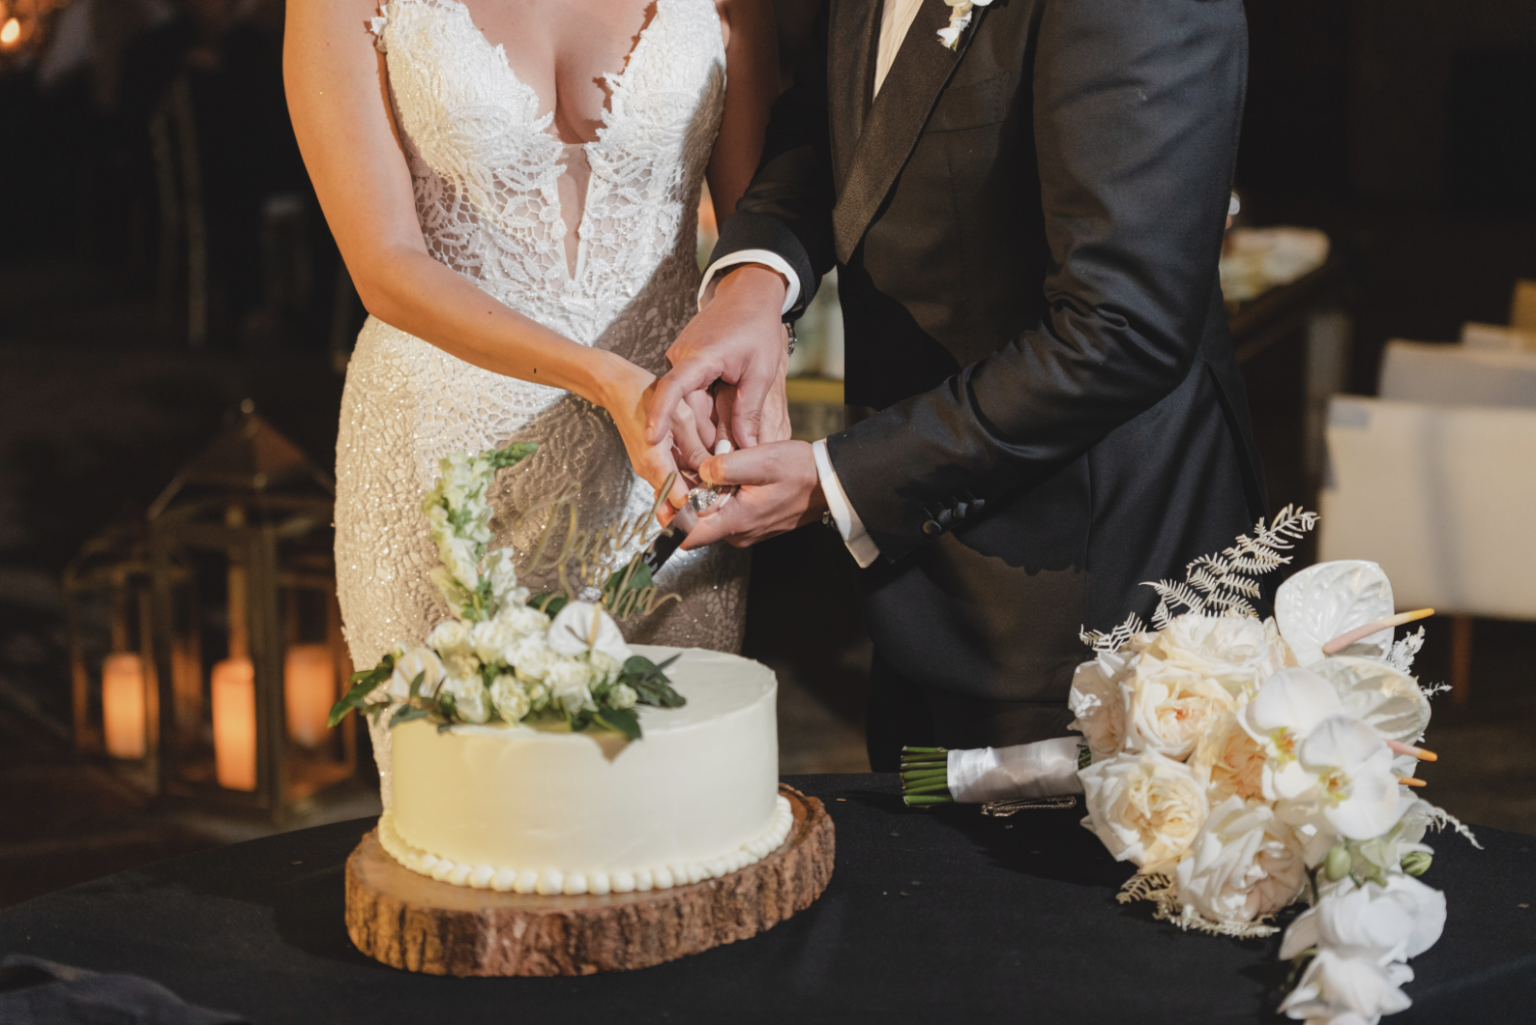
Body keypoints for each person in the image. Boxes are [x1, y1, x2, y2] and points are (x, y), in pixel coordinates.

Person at [653, 0, 1269, 769]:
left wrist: (834, 479)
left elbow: (1122, 331)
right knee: (919, 870)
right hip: (919, 584)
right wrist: (754, 284)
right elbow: (831, 125)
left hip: (1092, 608)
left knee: (1039, 888)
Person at [284, 0, 781, 799]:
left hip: (663, 458)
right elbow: (384, 264)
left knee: (669, 807)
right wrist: (608, 377)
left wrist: (758, 359)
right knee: (473, 818)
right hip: (445, 470)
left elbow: (761, 227)